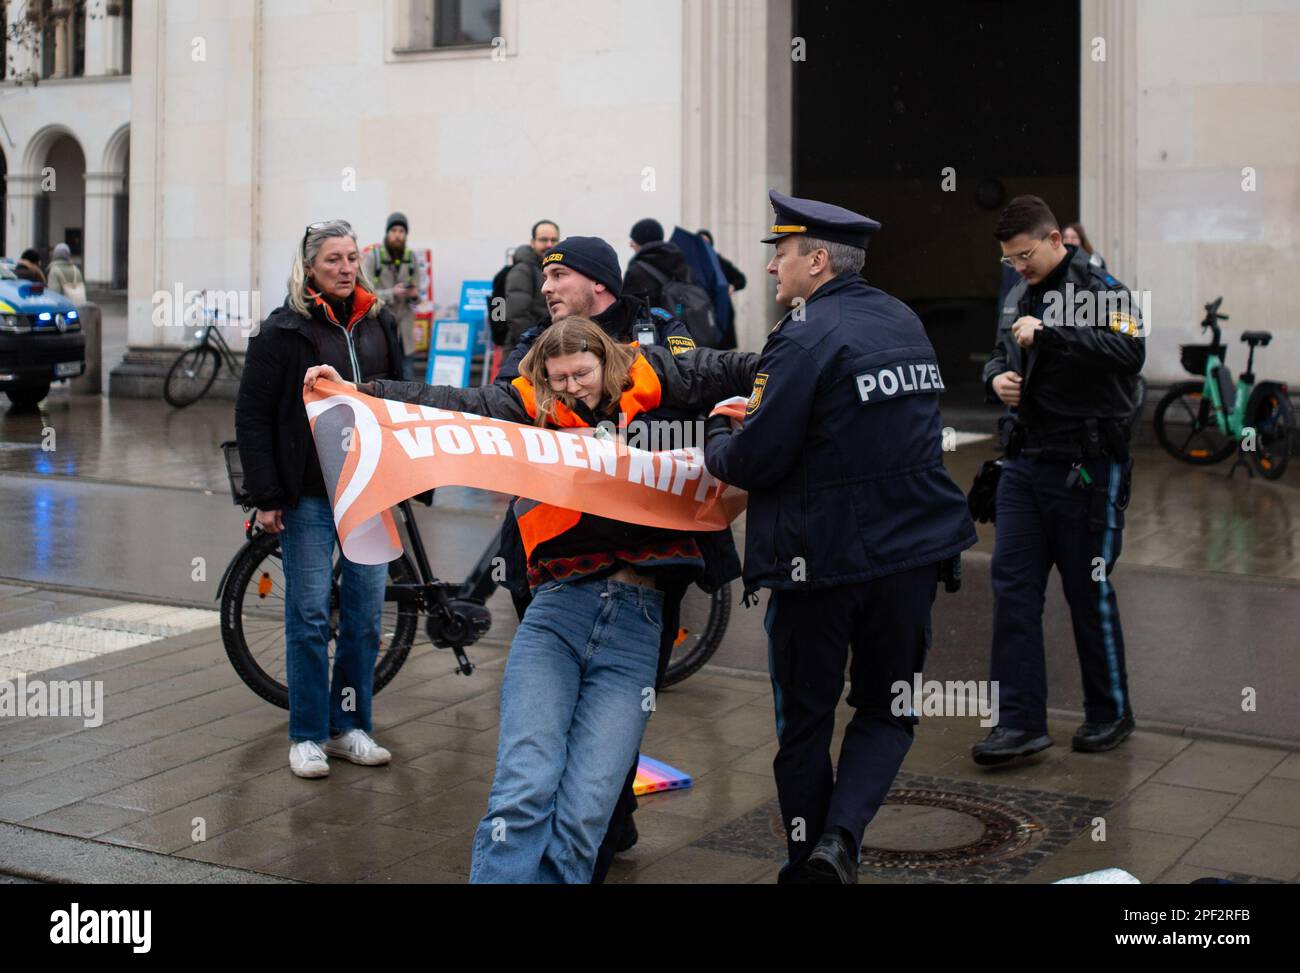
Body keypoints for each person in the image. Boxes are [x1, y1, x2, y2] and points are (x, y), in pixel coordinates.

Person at [304, 318, 759, 882]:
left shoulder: (660, 371)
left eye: (581, 374)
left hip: (639, 625)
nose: (571, 388)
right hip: (557, 613)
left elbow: (743, 367)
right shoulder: (527, 401)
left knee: (587, 813)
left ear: (607, 361)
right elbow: (451, 402)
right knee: (524, 791)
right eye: (558, 378)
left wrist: (774, 391)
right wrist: (359, 392)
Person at [704, 190, 977, 884]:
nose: (771, 269)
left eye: (782, 253)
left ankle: (810, 860)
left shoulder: (804, 334)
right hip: (910, 557)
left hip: (818, 567)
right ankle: (841, 843)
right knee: (887, 710)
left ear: (817, 260)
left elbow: (754, 459)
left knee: (805, 724)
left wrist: (715, 431)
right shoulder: (903, 319)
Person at [493, 236, 713, 882]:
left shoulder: (660, 333)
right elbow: (494, 408)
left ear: (598, 283)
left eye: (558, 274)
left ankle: (607, 822)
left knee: (607, 748)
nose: (547, 285)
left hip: (645, 573)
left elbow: (703, 387)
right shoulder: (537, 340)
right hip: (556, 567)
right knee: (531, 764)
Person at [975, 194, 1144, 766]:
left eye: (1024, 256)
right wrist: (997, 378)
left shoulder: (1104, 290)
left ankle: (1110, 712)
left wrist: (1048, 335)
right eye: (1009, 260)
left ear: (1055, 240)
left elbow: (1129, 348)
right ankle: (1019, 725)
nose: (1018, 268)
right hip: (1026, 464)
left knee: (1086, 590)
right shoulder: (1020, 295)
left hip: (1087, 465)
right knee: (1013, 592)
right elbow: (998, 355)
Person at [235, 219, 406, 779]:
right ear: (309, 266)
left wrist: (408, 480)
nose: (345, 268)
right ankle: (307, 734)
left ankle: (351, 727)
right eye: (333, 259)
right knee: (308, 615)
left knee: (361, 618)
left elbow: (404, 400)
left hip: (370, 491)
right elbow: (253, 417)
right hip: (309, 494)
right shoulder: (283, 331)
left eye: (352, 257)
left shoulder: (380, 322)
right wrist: (265, 495)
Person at [367, 212, 428, 379]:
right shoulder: (374, 257)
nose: (398, 235)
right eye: (394, 230)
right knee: (384, 375)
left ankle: (407, 405)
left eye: (401, 231)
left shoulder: (410, 258)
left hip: (405, 330)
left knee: (407, 375)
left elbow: (417, 295)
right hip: (381, 326)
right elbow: (365, 293)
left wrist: (414, 294)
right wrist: (391, 292)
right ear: (387, 233)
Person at [503, 220, 560, 349]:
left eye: (554, 240)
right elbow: (517, 315)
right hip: (526, 350)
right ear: (533, 242)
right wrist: (535, 345)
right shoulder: (522, 270)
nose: (549, 244)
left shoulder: (557, 270)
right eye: (543, 240)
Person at [621, 218, 694, 310]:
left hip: (651, 323)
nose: (631, 244)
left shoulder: (636, 271)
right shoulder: (680, 262)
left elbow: (625, 308)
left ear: (642, 240)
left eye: (634, 240)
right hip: (678, 320)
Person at [698, 229, 747, 294]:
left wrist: (732, 286)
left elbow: (741, 280)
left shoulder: (719, 262)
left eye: (706, 242)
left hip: (714, 301)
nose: (703, 245)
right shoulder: (689, 261)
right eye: (700, 242)